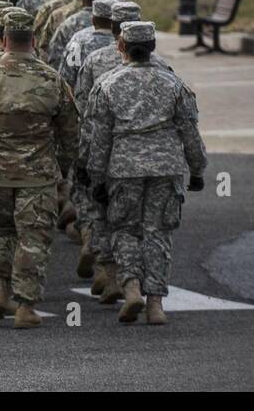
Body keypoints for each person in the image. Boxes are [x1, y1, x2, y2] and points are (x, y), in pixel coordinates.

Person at [0, 10, 78, 328]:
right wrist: (61, 168)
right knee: (32, 238)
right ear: (33, 40)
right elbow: (70, 132)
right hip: (37, 175)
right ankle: (24, 305)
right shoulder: (51, 78)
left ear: (4, 38)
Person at [85, 22, 208, 325]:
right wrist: (197, 170)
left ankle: (131, 289)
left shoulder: (107, 85)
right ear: (153, 47)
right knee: (158, 233)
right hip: (166, 169)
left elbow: (99, 139)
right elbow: (190, 134)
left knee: (125, 230)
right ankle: (155, 304)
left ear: (121, 47)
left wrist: (96, 178)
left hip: (124, 169)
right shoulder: (174, 84)